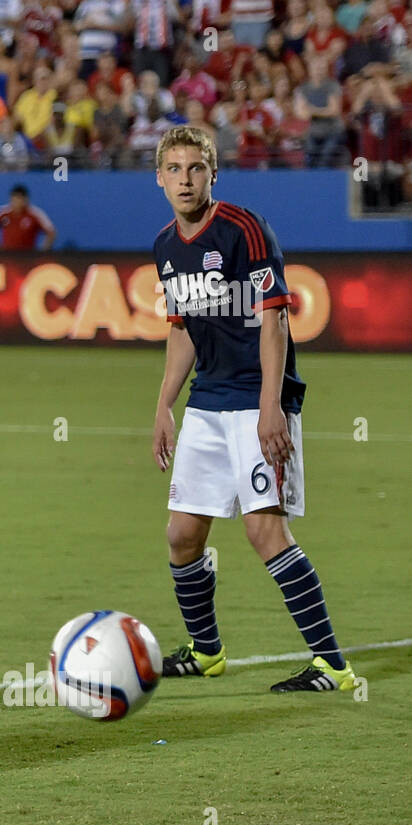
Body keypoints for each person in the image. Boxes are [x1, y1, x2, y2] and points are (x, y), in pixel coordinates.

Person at [151, 126, 357, 693]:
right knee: (182, 534)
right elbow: (183, 329)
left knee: (264, 531)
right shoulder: (166, 246)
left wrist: (271, 406)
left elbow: (275, 318)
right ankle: (207, 650)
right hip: (208, 404)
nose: (185, 179)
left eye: (196, 168)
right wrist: (165, 405)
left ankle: (332, 665)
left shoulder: (244, 229)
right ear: (160, 178)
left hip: (257, 402)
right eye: (175, 169)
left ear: (213, 173)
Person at [0, 185, 56, 250]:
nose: (17, 203)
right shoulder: (4, 212)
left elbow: (51, 232)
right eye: (14, 200)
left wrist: (43, 250)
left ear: (25, 200)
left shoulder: (34, 214)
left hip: (27, 256)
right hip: (7, 254)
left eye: (19, 199)